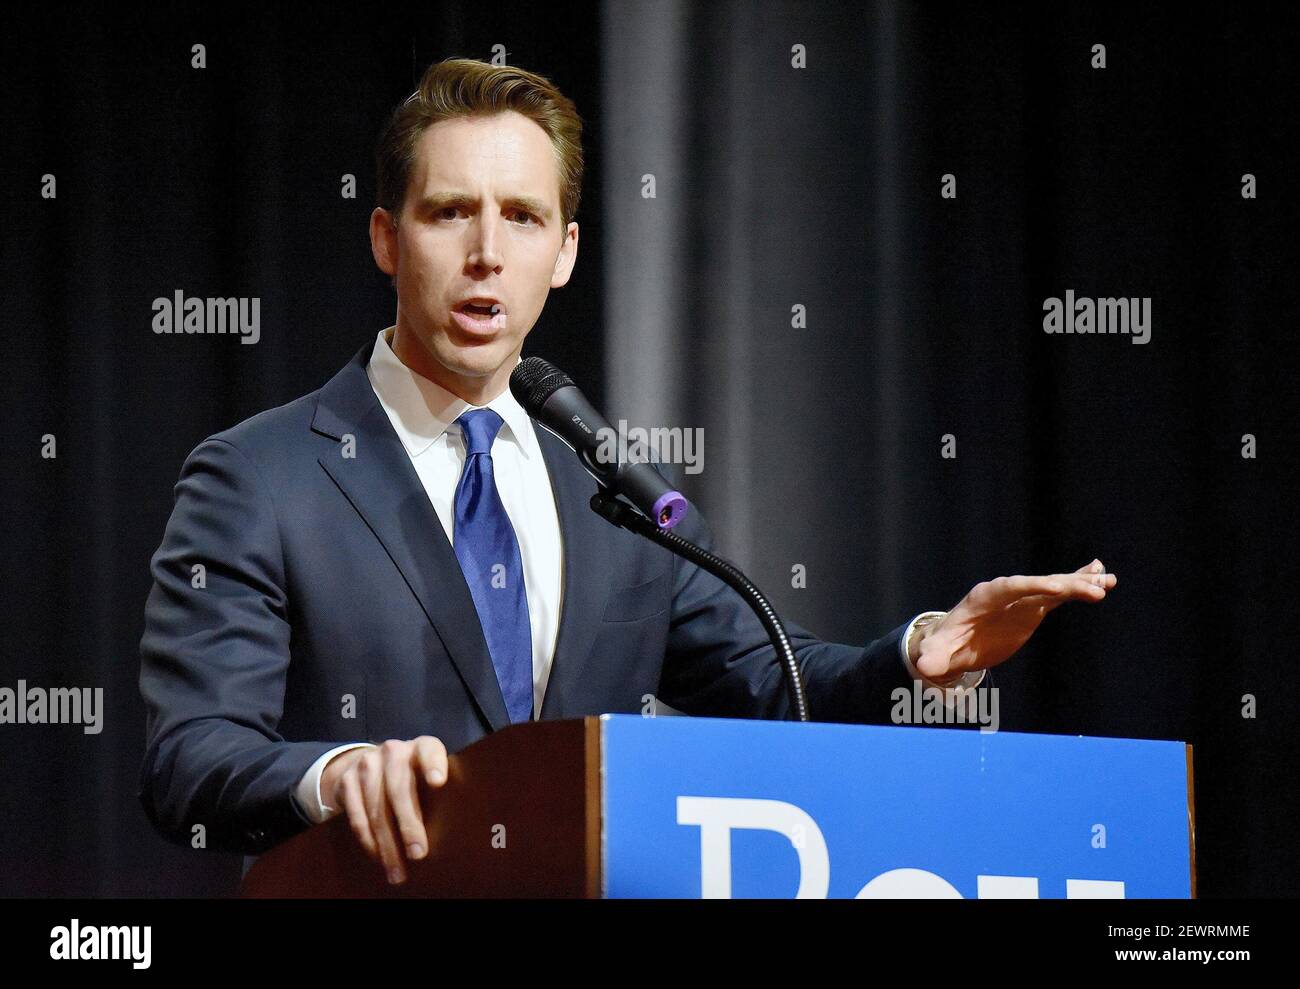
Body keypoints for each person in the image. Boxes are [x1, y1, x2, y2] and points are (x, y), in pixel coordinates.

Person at [137, 57, 1116, 887]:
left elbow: (774, 684)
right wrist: (336, 772)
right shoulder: (260, 478)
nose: (486, 253)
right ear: (388, 238)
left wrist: (917, 649)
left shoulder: (604, 488)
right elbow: (190, 759)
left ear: (562, 253)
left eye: (522, 217)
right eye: (449, 214)